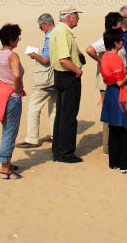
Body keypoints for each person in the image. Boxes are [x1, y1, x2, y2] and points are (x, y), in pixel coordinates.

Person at [0, 23, 26, 180]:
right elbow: (16, 75)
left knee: (7, 130)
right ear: (11, 40)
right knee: (10, 131)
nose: (19, 40)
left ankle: (7, 163)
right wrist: (16, 89)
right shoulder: (12, 55)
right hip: (11, 96)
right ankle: (5, 168)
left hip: (2, 94)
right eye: (17, 38)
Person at [99, 29, 127, 174]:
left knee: (114, 127)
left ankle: (114, 162)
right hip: (120, 94)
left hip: (111, 93)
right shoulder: (115, 58)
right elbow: (119, 82)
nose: (123, 42)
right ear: (116, 43)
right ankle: (125, 164)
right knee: (125, 127)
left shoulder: (105, 56)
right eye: (121, 40)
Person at [85, 12, 125, 154]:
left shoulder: (115, 37)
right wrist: (101, 61)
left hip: (113, 80)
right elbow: (89, 49)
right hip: (107, 82)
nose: (123, 24)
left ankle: (112, 144)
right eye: (120, 22)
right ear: (114, 25)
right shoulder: (106, 39)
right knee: (110, 113)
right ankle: (108, 146)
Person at [50, 8, 86, 163]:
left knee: (61, 115)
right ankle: (66, 153)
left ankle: (58, 151)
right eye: (76, 16)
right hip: (68, 76)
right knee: (69, 116)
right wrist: (77, 70)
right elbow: (64, 59)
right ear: (69, 17)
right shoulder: (63, 32)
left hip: (60, 76)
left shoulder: (58, 30)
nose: (78, 19)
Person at [16, 13, 56, 149]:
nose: (41, 29)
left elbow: (46, 59)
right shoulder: (58, 34)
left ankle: (32, 138)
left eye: (40, 27)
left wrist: (34, 55)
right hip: (56, 78)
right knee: (54, 107)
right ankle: (54, 135)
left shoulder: (51, 37)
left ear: (45, 24)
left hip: (46, 78)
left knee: (34, 107)